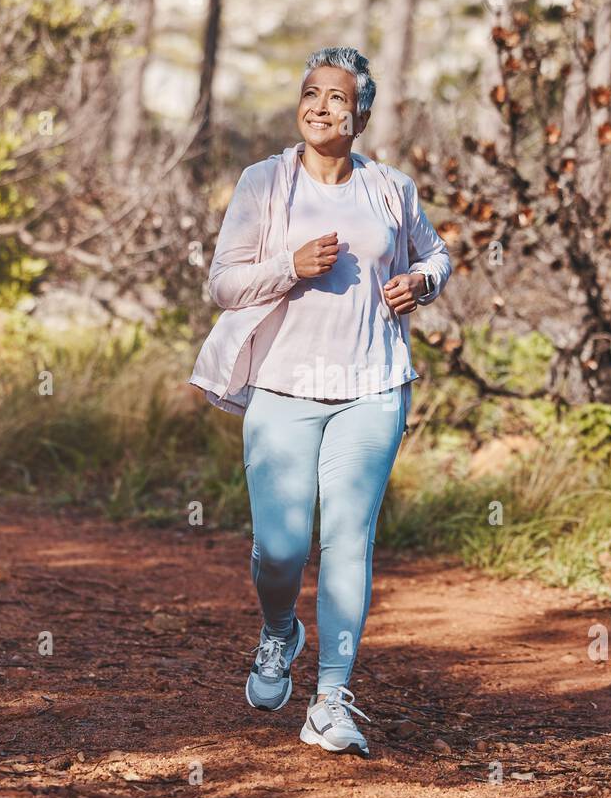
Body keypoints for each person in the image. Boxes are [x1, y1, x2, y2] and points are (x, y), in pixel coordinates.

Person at [189, 46, 451, 756]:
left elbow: (436, 254)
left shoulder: (392, 189)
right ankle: (280, 631)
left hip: (372, 388)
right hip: (282, 386)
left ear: (361, 115)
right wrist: (288, 266)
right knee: (278, 551)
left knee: (346, 545)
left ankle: (331, 698)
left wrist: (422, 284)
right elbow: (222, 284)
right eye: (311, 93)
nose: (321, 106)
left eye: (338, 97)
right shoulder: (264, 182)